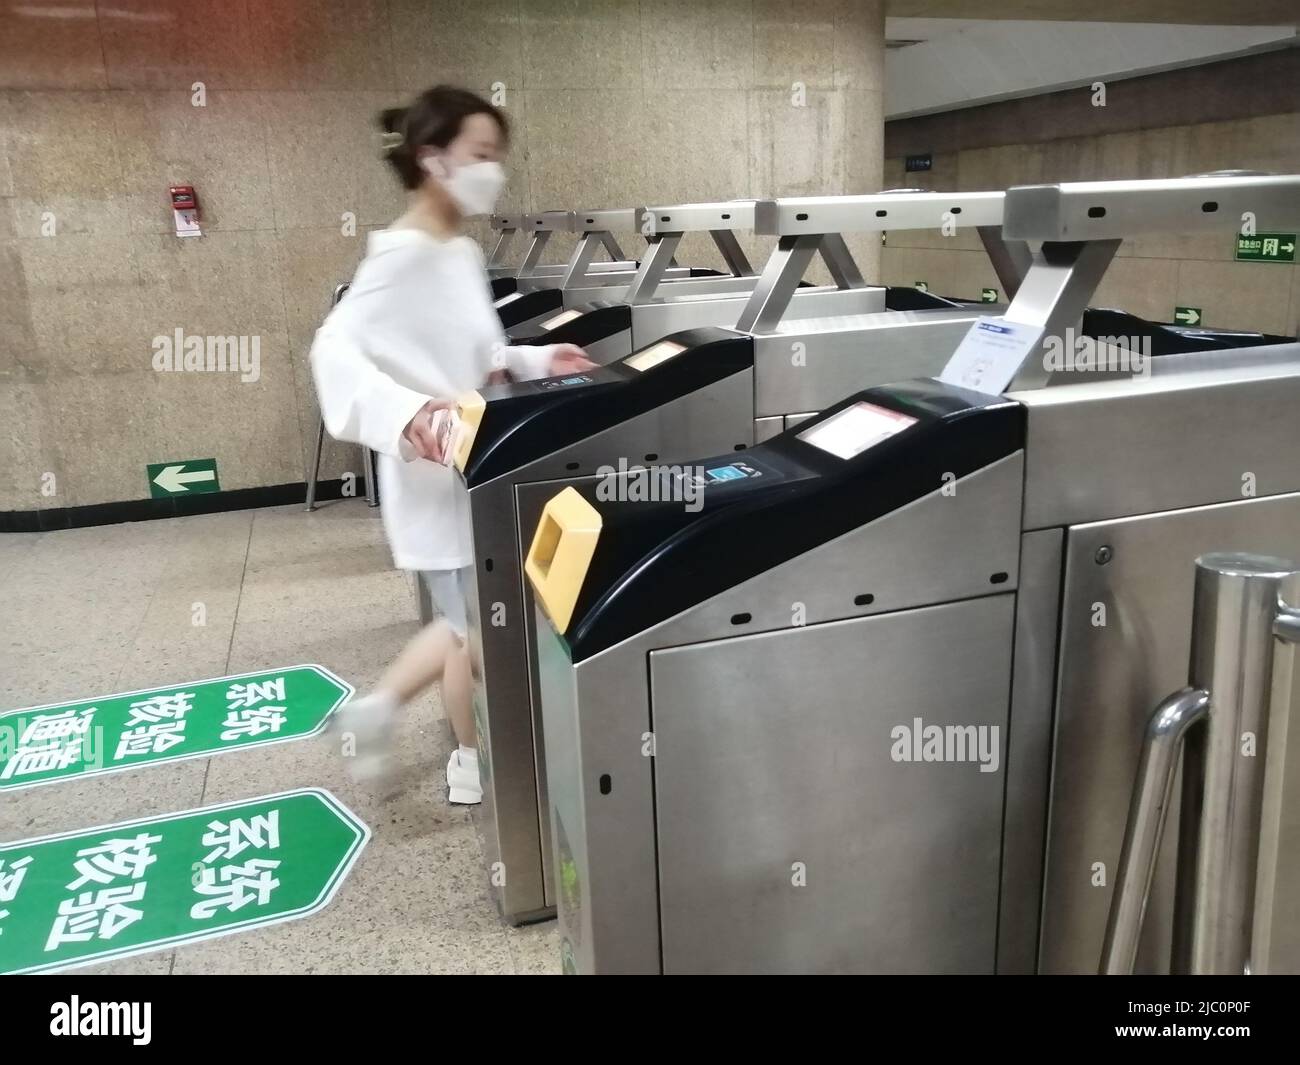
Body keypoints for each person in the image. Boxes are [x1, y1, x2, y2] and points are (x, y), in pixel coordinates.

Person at [309, 85, 595, 803]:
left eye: (498, 156)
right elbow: (332, 351)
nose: (494, 170)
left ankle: (424, 735)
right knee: (475, 625)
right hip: (442, 477)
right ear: (434, 159)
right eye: (481, 154)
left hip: (485, 465)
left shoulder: (459, 252)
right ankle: (421, 733)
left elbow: (480, 354)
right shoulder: (400, 257)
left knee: (471, 623)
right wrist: (408, 415)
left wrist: (537, 360)